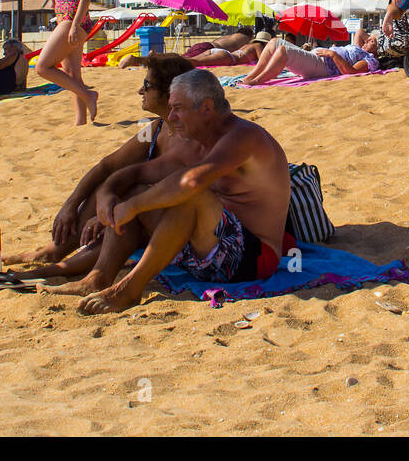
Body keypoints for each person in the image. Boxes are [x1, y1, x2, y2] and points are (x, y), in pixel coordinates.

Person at [60, 69, 292, 314]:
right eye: (170, 108)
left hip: (253, 259)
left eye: (178, 108)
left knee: (189, 195)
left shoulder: (244, 137)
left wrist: (133, 206)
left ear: (206, 108)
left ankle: (128, 290)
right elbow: (134, 173)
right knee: (137, 191)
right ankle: (99, 277)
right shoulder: (194, 143)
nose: (171, 116)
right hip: (204, 250)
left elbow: (192, 181)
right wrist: (107, 197)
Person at [1, 53, 200, 275]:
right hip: (149, 214)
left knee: (127, 206)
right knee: (110, 187)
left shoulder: (191, 137)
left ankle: (58, 270)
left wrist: (109, 211)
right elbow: (107, 166)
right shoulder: (155, 129)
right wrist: (71, 204)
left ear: (169, 93)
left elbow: (169, 194)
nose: (140, 91)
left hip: (181, 229)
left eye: (147, 85)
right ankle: (55, 252)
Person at [33, 0, 100, 125]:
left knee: (42, 67)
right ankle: (80, 123)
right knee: (72, 75)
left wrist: (75, 25)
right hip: (64, 20)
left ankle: (88, 95)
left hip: (73, 21)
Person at [240, 30, 381, 85]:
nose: (367, 40)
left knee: (283, 51)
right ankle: (250, 76)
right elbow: (360, 32)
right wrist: (372, 37)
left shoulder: (371, 60)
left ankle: (257, 81)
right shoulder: (358, 47)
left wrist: (332, 54)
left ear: (377, 49)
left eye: (371, 41)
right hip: (317, 56)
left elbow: (352, 72)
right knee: (273, 42)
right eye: (368, 39)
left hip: (323, 65)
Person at [119, 31, 272, 68]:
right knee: (191, 62)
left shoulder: (246, 43)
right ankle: (139, 60)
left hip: (213, 49)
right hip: (227, 57)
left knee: (186, 59)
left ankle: (157, 56)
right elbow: (263, 62)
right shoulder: (258, 46)